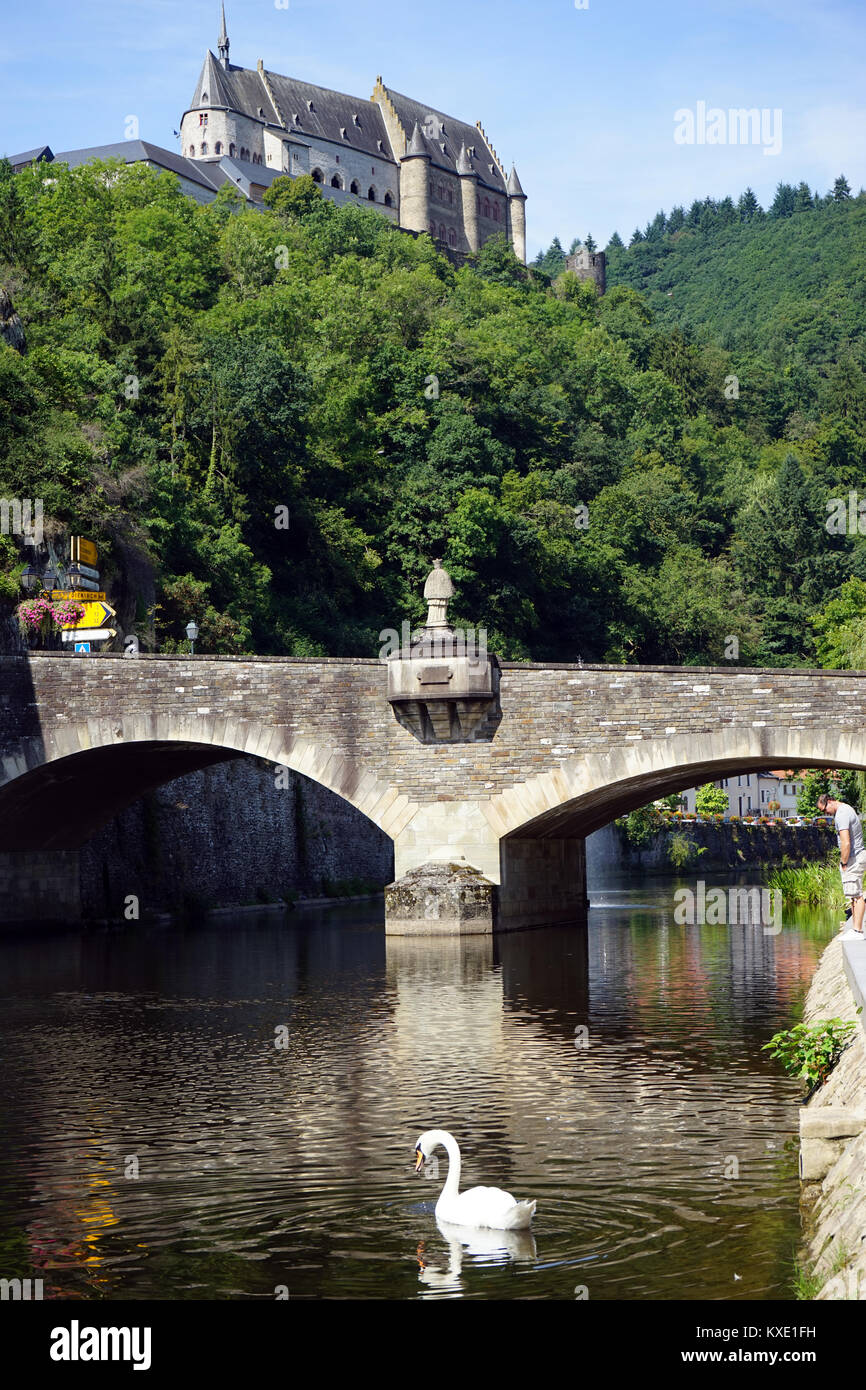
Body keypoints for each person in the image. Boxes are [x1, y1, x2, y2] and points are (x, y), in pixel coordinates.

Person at [818, 793, 866, 938]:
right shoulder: (846, 809)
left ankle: (857, 931)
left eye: (824, 809)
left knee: (857, 895)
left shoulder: (841, 814)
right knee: (852, 894)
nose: (825, 813)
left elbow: (846, 842)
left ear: (830, 801)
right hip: (856, 856)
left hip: (853, 858)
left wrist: (844, 862)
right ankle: (854, 929)